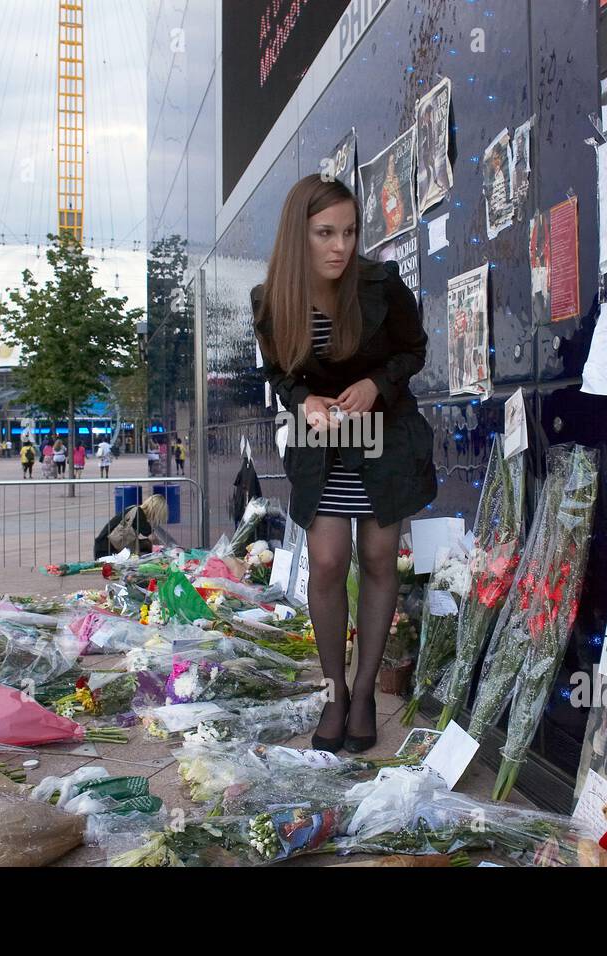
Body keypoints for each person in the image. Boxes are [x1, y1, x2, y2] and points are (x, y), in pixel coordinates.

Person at [251, 174, 437, 754]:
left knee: (380, 557)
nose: (340, 246)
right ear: (298, 234)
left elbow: (415, 349)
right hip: (322, 441)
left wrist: (375, 382)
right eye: (325, 233)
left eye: (349, 232)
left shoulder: (382, 284)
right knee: (329, 561)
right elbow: (279, 373)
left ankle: (362, 696)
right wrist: (302, 399)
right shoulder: (270, 298)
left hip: (384, 434)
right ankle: (333, 691)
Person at [93, 494, 169, 559]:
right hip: (106, 552)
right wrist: (163, 550)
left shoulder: (134, 509)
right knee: (148, 544)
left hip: (102, 548)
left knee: (146, 544)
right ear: (155, 510)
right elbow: (152, 538)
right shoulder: (139, 515)